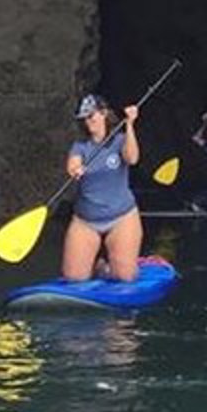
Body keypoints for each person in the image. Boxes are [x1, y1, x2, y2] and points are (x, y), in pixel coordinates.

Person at [62, 92, 143, 282]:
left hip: (122, 217)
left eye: (91, 116)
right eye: (84, 118)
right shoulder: (80, 146)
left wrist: (130, 124)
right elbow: (72, 165)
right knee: (73, 278)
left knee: (124, 277)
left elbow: (132, 158)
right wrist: (76, 169)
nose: (88, 121)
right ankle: (97, 266)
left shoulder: (120, 140)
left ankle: (112, 267)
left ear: (103, 113)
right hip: (85, 220)